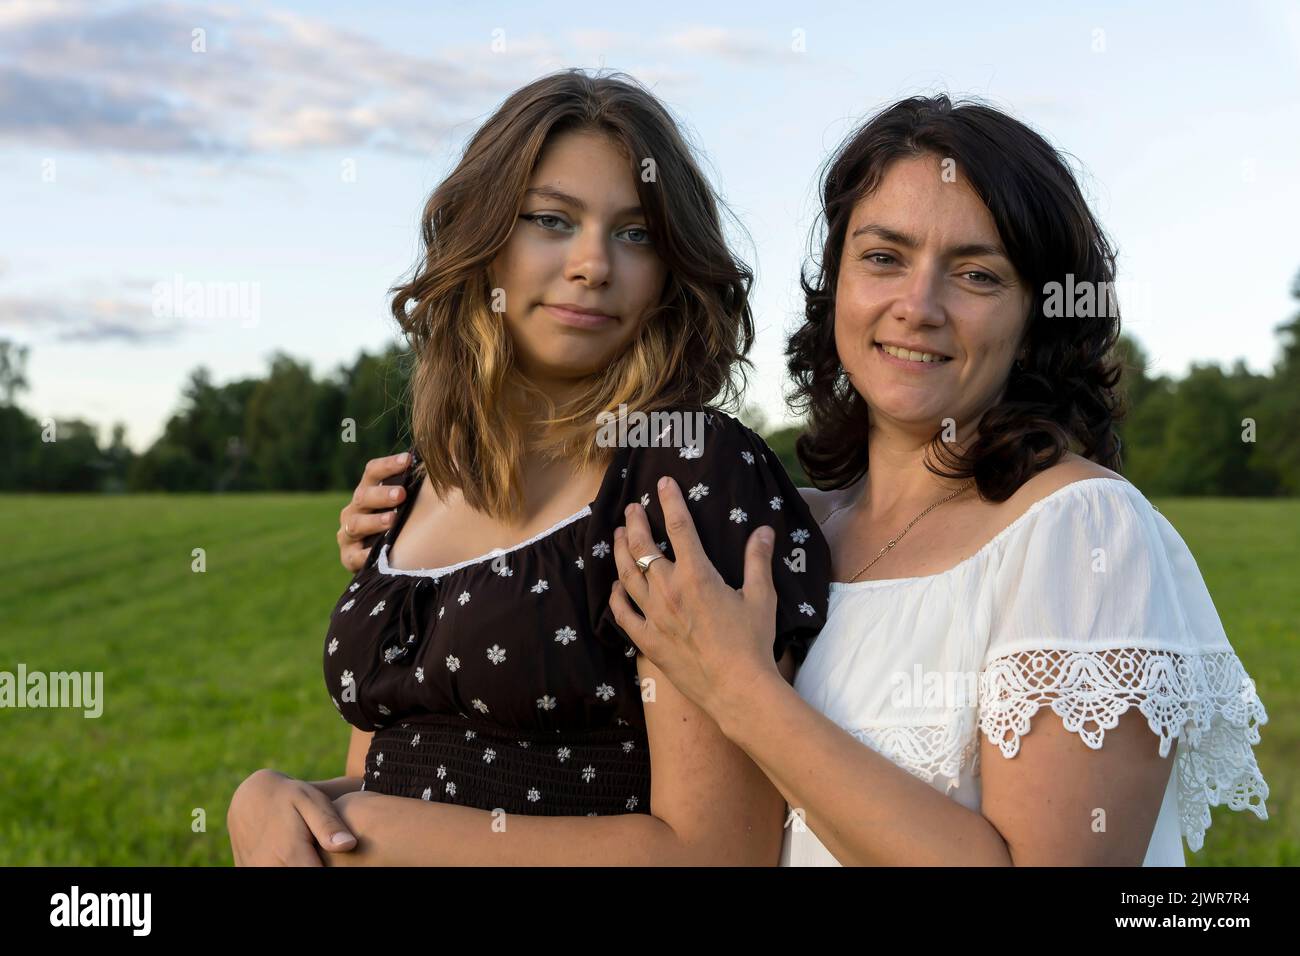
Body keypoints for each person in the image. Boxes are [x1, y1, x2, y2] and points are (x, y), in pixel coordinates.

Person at [602, 95, 1271, 865]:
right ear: (837, 285)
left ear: (1036, 318)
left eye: (977, 275)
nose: (917, 307)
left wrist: (740, 690)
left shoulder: (1080, 530)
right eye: (883, 258)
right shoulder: (787, 528)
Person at [226, 70, 832, 866]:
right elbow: (392, 771)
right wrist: (267, 800)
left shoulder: (684, 473)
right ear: (482, 243)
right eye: (551, 220)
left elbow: (714, 852)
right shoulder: (414, 486)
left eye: (636, 233)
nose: (593, 264)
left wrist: (378, 837)